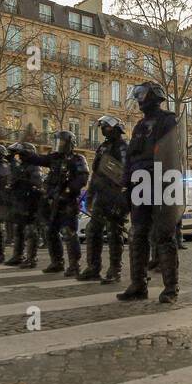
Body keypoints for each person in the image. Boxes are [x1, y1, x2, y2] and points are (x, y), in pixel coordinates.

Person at [118, 82, 181, 303]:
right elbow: (130, 159)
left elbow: (170, 154)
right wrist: (125, 184)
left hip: (160, 182)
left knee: (164, 236)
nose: (139, 99)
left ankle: (170, 288)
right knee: (137, 234)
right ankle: (138, 284)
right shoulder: (139, 126)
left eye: (142, 95)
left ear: (153, 97)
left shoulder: (167, 120)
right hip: (139, 184)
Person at [19, 131, 89, 277]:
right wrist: (24, 153)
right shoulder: (54, 158)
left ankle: (74, 265)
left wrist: (68, 192)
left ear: (69, 144)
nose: (59, 145)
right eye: (57, 142)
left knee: (68, 233)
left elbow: (82, 178)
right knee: (50, 231)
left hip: (67, 201)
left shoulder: (77, 159)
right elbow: (39, 159)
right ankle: (57, 262)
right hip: (52, 201)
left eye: (62, 142)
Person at [79, 115, 130, 283]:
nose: (104, 130)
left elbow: (123, 174)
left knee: (115, 232)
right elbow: (96, 173)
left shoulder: (122, 147)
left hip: (114, 196)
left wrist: (121, 198)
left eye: (107, 127)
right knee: (93, 230)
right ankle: (94, 267)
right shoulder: (103, 147)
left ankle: (115, 270)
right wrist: (90, 194)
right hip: (101, 195)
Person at [3, 144, 43, 268]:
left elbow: (36, 183)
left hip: (30, 202)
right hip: (20, 202)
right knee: (18, 229)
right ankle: (18, 255)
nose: (19, 157)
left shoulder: (34, 167)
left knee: (30, 231)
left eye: (21, 154)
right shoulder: (22, 166)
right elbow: (13, 176)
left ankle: (32, 257)